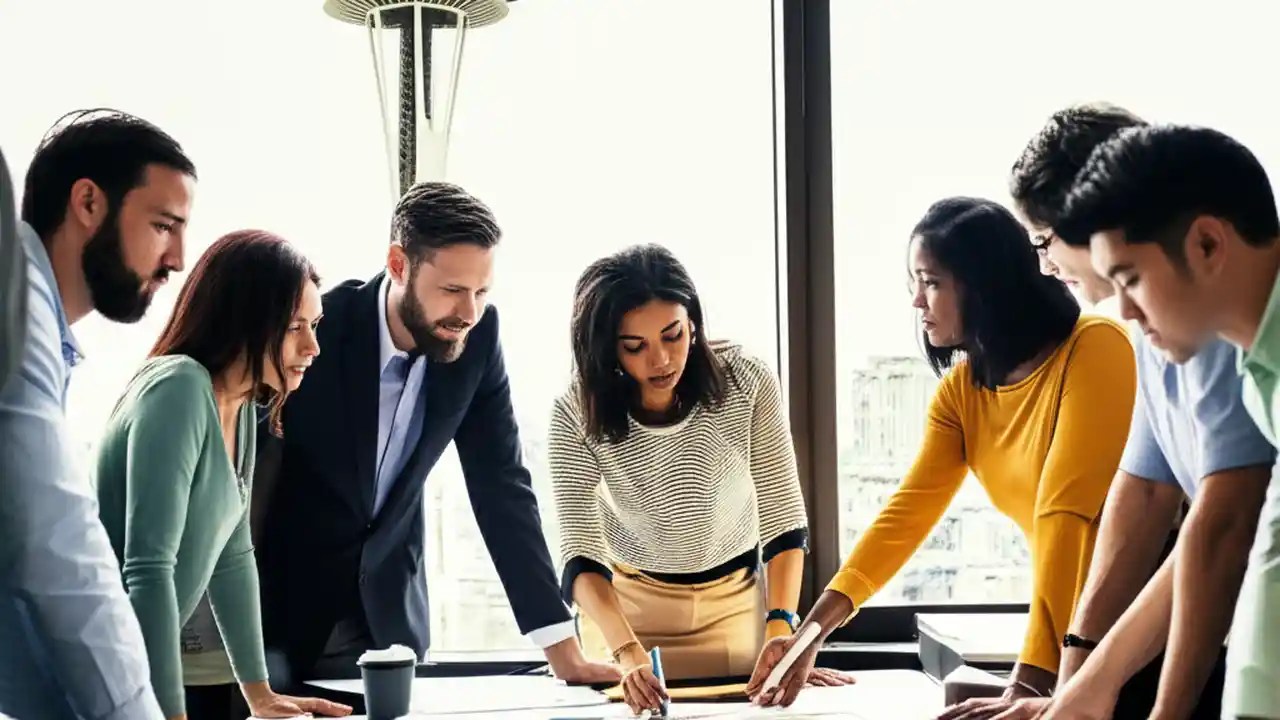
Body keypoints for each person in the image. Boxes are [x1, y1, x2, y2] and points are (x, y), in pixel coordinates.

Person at [747, 196, 1137, 713]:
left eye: (930, 282)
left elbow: (1065, 516)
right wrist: (809, 634)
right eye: (914, 282)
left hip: (1141, 621)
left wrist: (1034, 679)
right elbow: (905, 515)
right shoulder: (962, 392)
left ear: (984, 285)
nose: (916, 301)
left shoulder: (1095, 346)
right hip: (1072, 635)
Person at [248, 181, 619, 692]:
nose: (468, 311)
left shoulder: (477, 338)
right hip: (282, 623)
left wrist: (561, 649)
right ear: (399, 264)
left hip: (390, 625)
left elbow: (501, 485)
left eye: (481, 292)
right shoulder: (318, 332)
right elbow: (249, 475)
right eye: (452, 290)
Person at [998, 107, 1275, 720]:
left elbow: (1224, 527)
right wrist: (1075, 688)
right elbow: (1143, 493)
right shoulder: (1173, 334)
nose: (1045, 265)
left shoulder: (1215, 327)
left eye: (1045, 241)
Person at [549, 244, 849, 715]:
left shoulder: (746, 379)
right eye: (635, 347)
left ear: (694, 323)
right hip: (625, 613)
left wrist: (781, 630)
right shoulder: (574, 409)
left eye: (673, 335)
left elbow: (783, 517)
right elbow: (579, 550)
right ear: (607, 347)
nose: (662, 359)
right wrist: (626, 654)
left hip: (733, 605)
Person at [92, 230, 350, 720]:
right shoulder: (178, 389)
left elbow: (233, 557)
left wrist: (261, 696)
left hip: (122, 673)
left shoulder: (244, 404)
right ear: (245, 320)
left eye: (314, 324)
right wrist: (169, 715)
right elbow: (148, 571)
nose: (313, 346)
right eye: (296, 326)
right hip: (91, 671)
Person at [0, 109, 196, 719]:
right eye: (164, 226)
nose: (178, 258)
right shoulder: (18, 305)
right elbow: (56, 541)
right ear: (88, 202)